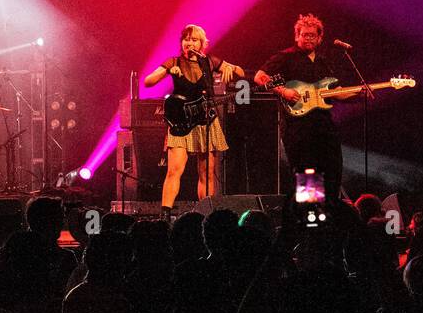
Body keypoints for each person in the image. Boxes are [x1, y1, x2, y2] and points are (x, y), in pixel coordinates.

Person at [253, 13, 361, 201]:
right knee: (307, 172)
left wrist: (360, 92)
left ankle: (330, 210)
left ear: (320, 38)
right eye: (304, 34)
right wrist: (283, 91)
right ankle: (309, 214)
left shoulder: (323, 61)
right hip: (298, 127)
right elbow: (260, 76)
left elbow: (336, 92)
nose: (308, 38)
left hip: (324, 126)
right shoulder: (286, 57)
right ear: (297, 36)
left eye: (312, 35)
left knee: (333, 169)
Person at [143, 25, 247, 217]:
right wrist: (166, 72)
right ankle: (164, 216)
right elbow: (147, 81)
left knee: (207, 173)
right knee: (174, 170)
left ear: (202, 44)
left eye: (194, 40)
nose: (189, 43)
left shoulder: (208, 62)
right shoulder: (174, 61)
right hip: (181, 121)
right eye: (186, 39)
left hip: (205, 120)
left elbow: (240, 72)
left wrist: (231, 68)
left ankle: (205, 215)